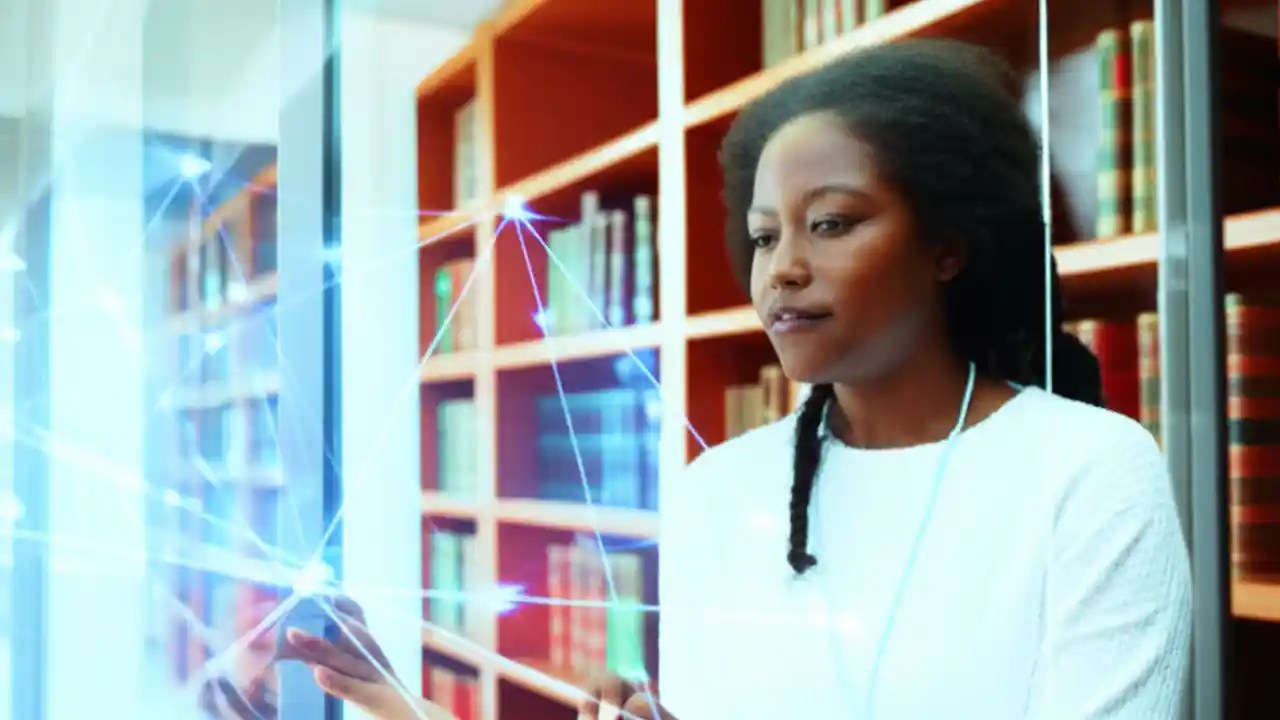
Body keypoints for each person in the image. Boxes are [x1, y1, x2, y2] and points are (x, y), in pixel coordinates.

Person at [286, 38, 1192, 719]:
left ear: (949, 246)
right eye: (764, 237)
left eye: (832, 224)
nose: (781, 271)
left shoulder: (1090, 472)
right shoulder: (719, 490)